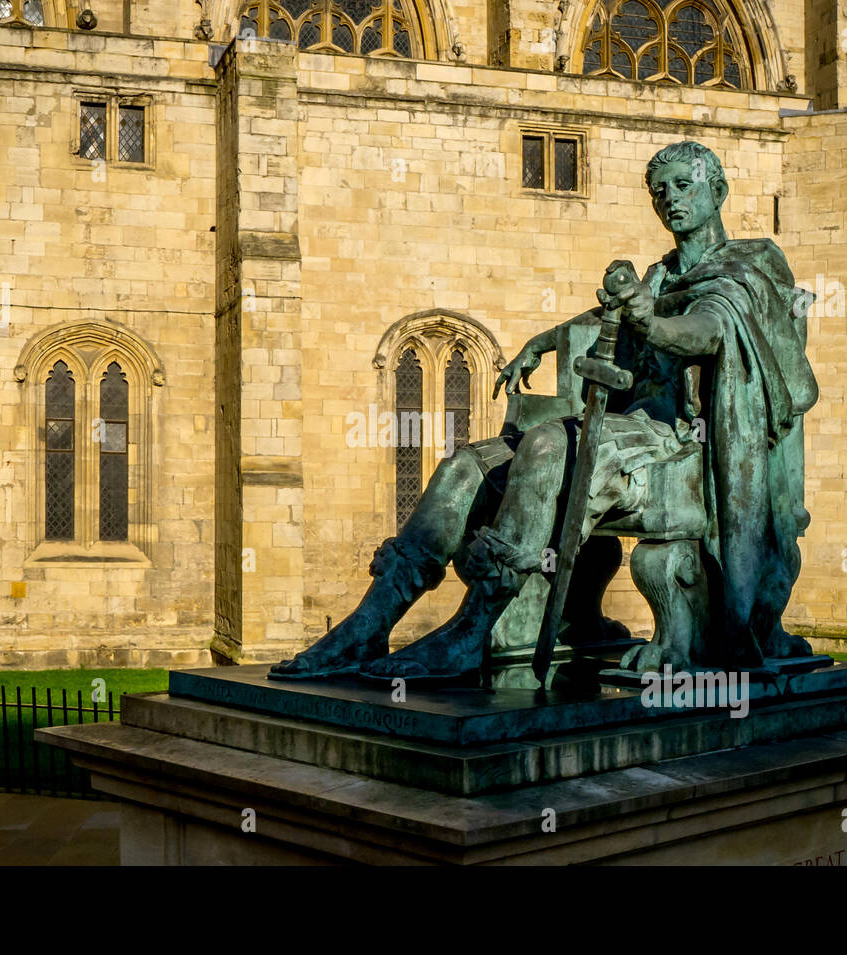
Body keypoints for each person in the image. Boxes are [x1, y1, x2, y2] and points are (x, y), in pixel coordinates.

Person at [269, 141, 817, 682]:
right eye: (659, 191)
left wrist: (652, 324)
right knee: (464, 468)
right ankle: (367, 625)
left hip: (685, 447)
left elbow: (707, 332)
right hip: (631, 432)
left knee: (550, 443)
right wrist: (545, 340)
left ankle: (472, 630)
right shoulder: (660, 275)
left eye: (682, 185)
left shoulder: (746, 271)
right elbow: (603, 319)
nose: (669, 199)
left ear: (717, 191)